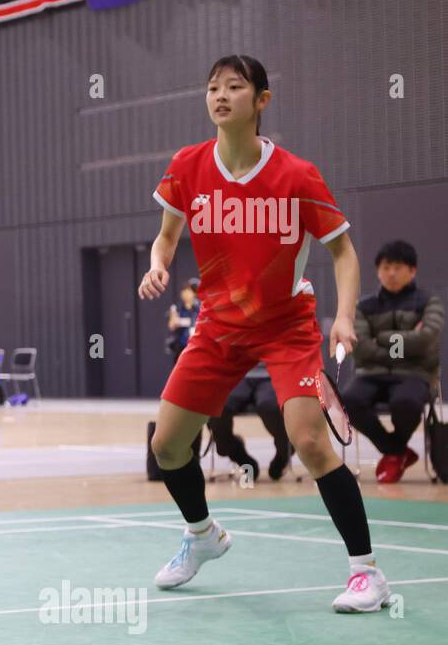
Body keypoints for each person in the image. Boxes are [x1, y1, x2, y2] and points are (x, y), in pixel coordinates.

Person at [141, 54, 388, 613]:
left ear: (262, 100)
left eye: (234, 86)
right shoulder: (187, 166)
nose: (220, 95)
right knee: (168, 444)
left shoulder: (296, 176)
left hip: (284, 327)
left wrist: (345, 316)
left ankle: (366, 573)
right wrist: (159, 263)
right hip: (217, 327)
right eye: (212, 87)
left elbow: (343, 252)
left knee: (307, 440)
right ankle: (204, 536)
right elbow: (166, 237)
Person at [344, 239, 443, 483]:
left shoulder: (428, 302)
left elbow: (427, 338)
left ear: (412, 270)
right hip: (371, 373)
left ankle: (393, 453)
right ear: (378, 270)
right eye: (386, 267)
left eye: (398, 267)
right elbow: (361, 346)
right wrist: (402, 344)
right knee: (348, 400)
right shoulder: (364, 306)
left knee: (405, 402)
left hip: (415, 373)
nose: (391, 273)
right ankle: (396, 451)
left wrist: (383, 339)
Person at [206, 364, 293, 481]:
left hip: (271, 372)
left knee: (270, 407)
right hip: (235, 372)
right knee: (217, 406)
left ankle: (283, 455)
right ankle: (240, 455)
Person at [166, 278, 200, 363]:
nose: (186, 294)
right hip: (181, 346)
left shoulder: (199, 307)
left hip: (196, 346)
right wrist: (176, 320)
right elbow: (171, 325)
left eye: (189, 291)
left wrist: (182, 322)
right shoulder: (177, 308)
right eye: (184, 291)